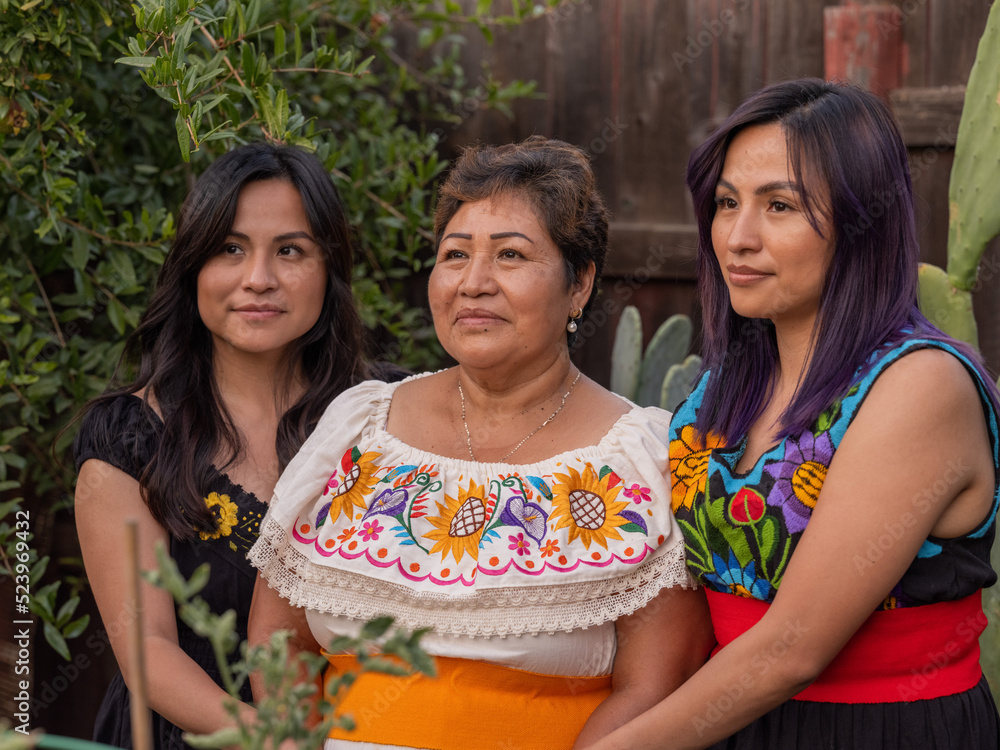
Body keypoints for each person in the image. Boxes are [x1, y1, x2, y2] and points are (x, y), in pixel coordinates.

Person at [247, 136, 714, 750]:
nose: (474, 283)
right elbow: (280, 643)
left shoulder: (639, 460)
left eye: (511, 256)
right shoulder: (358, 429)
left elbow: (655, 685)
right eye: (455, 254)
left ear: (579, 285)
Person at [580, 79, 1000, 749]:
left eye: (779, 205)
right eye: (726, 203)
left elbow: (790, 651)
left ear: (863, 221)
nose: (737, 238)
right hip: (725, 717)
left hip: (876, 730)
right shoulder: (722, 388)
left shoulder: (921, 386)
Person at [74, 142, 388, 748]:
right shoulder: (129, 438)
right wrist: (281, 736)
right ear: (194, 266)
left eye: (290, 250)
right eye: (230, 249)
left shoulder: (385, 417)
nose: (258, 279)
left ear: (330, 268)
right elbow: (148, 649)